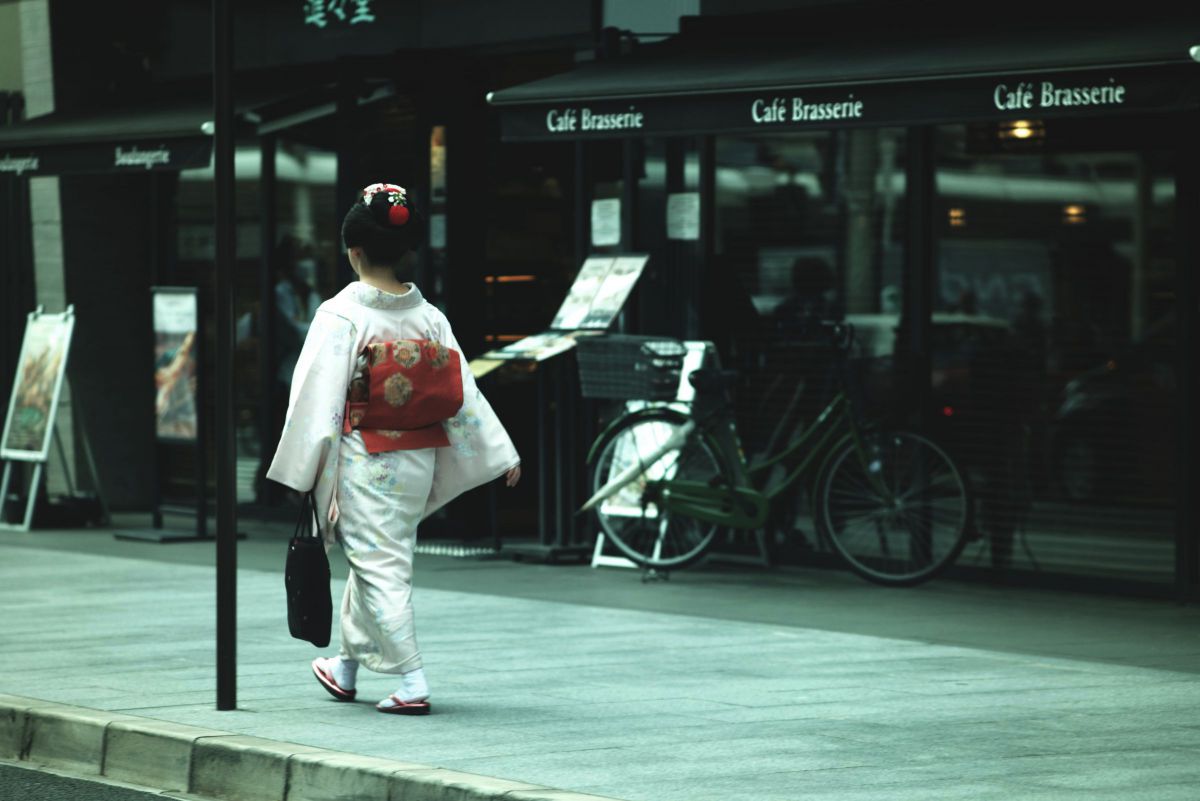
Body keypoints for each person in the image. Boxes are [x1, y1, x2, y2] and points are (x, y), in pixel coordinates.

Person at [267, 182, 521, 715]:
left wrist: (303, 468)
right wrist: (500, 451)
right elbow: (463, 393)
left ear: (353, 251)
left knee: (379, 565)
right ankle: (345, 666)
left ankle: (413, 680)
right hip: (416, 460)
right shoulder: (429, 316)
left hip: (366, 460)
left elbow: (314, 401)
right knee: (377, 557)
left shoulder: (342, 316)